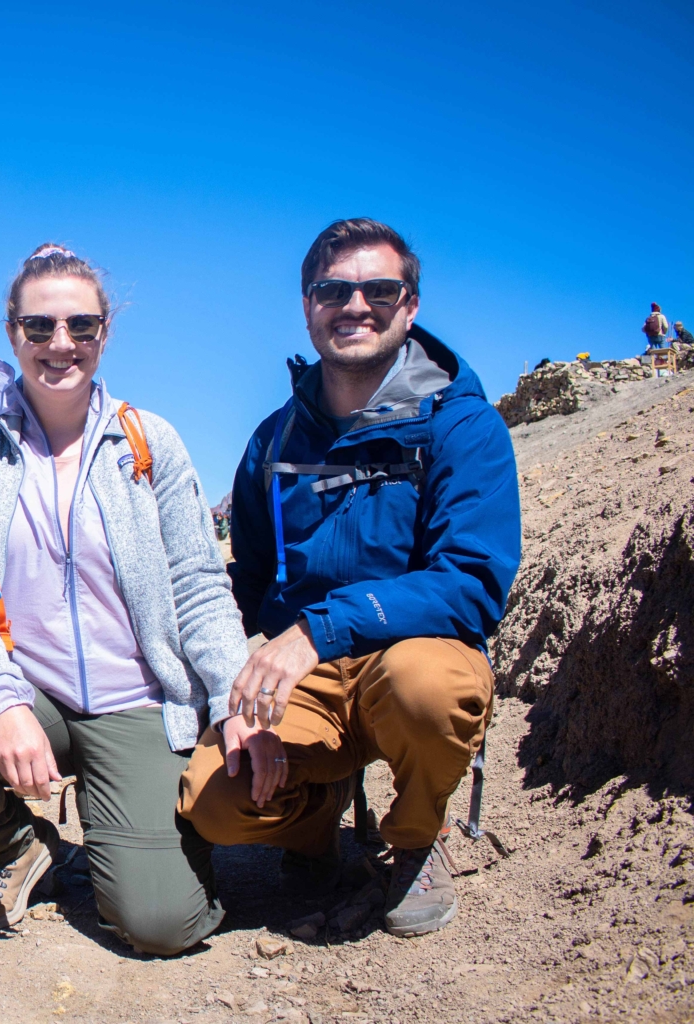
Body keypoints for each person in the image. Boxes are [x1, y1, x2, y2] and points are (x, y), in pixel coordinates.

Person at [0, 244, 249, 954]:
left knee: (160, 925)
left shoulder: (147, 441)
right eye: (39, 327)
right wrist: (5, 700)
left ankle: (141, 844)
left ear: (106, 332)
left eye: (81, 325)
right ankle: (17, 848)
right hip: (28, 690)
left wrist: (228, 699)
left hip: (134, 699)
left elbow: (199, 583)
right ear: (12, 331)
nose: (61, 344)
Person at [180, 218, 521, 939]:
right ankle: (317, 827)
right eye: (333, 289)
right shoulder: (273, 441)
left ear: (411, 305)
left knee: (429, 690)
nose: (355, 305)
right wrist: (225, 688)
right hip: (302, 673)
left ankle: (414, 838)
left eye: (379, 288)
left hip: (411, 653)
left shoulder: (460, 426)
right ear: (308, 306)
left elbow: (473, 582)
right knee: (215, 799)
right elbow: (246, 580)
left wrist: (320, 629)